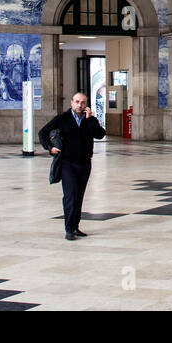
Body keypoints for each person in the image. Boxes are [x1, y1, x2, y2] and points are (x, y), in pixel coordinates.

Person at [39, 91, 106, 240]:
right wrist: (50, 148)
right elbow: (42, 133)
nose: (80, 105)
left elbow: (100, 134)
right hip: (67, 163)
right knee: (70, 195)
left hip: (84, 163)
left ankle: (75, 227)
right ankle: (69, 229)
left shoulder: (90, 120)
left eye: (82, 102)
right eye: (77, 102)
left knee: (79, 196)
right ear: (71, 103)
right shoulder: (62, 119)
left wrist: (90, 119)